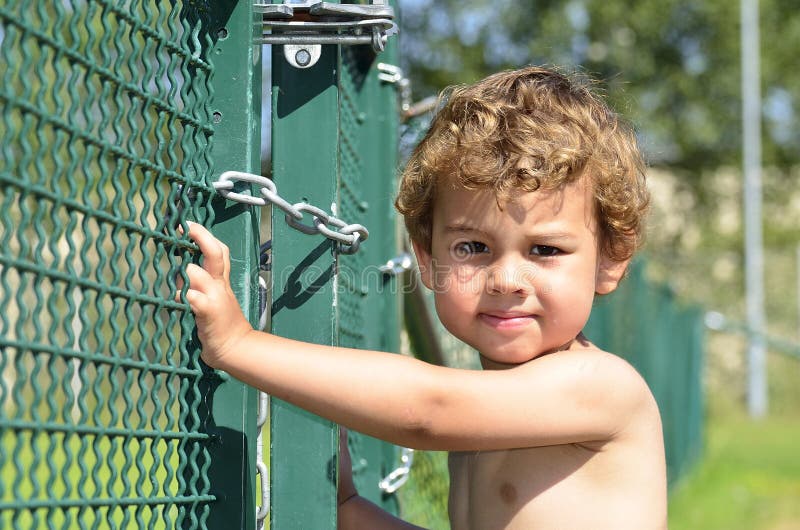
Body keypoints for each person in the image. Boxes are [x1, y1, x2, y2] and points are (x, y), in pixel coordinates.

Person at [180, 66, 666, 529]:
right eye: (473, 247)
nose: (506, 279)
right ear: (428, 260)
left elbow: (427, 410)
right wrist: (350, 511)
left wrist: (239, 345)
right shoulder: (489, 416)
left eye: (546, 249)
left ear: (611, 259)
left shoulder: (603, 388)